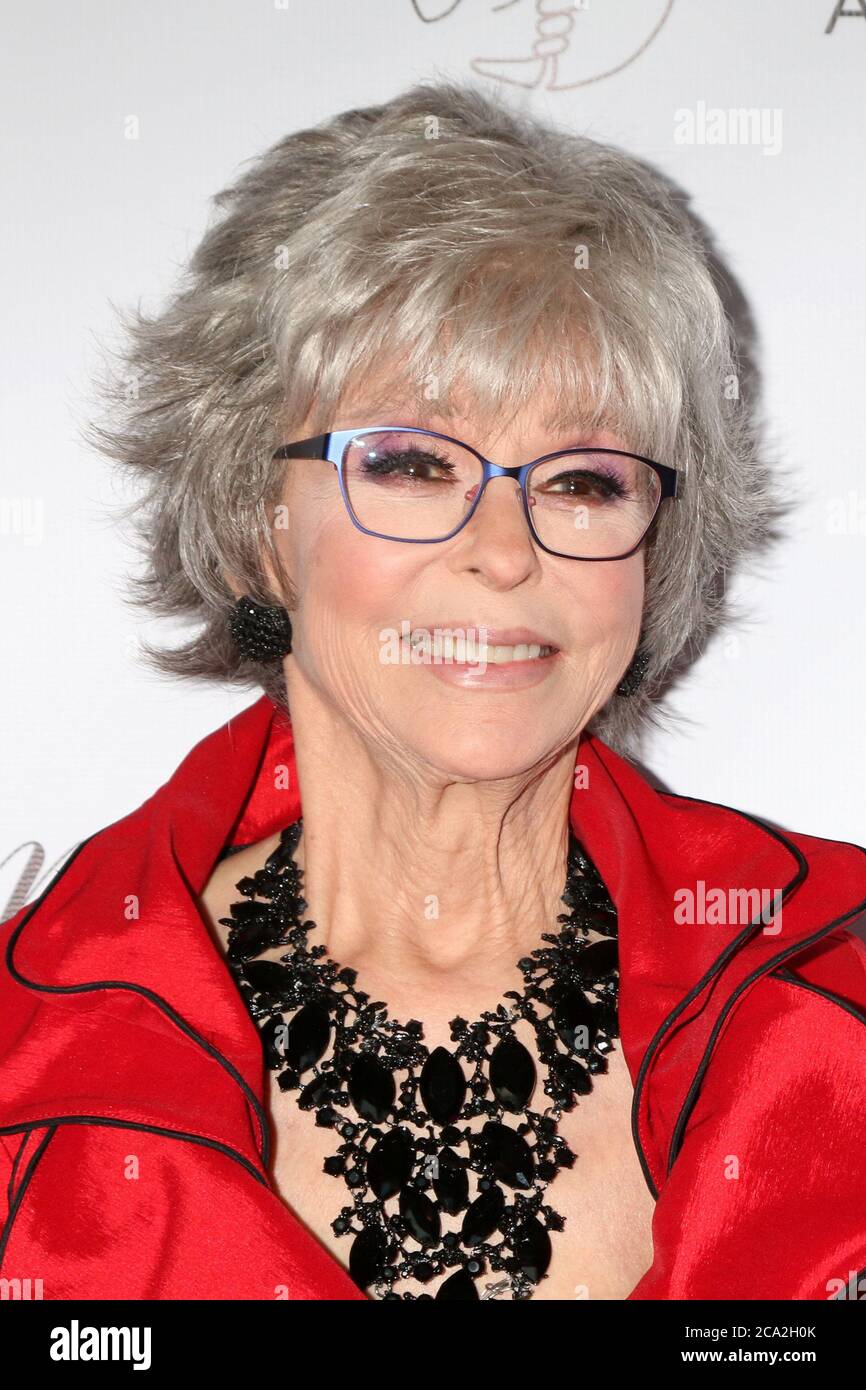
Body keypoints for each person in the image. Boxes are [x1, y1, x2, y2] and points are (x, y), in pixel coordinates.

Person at [2, 79, 865, 1304]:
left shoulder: (835, 988)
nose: (505, 550)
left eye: (582, 480)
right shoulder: (29, 1047)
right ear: (260, 525)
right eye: (410, 463)